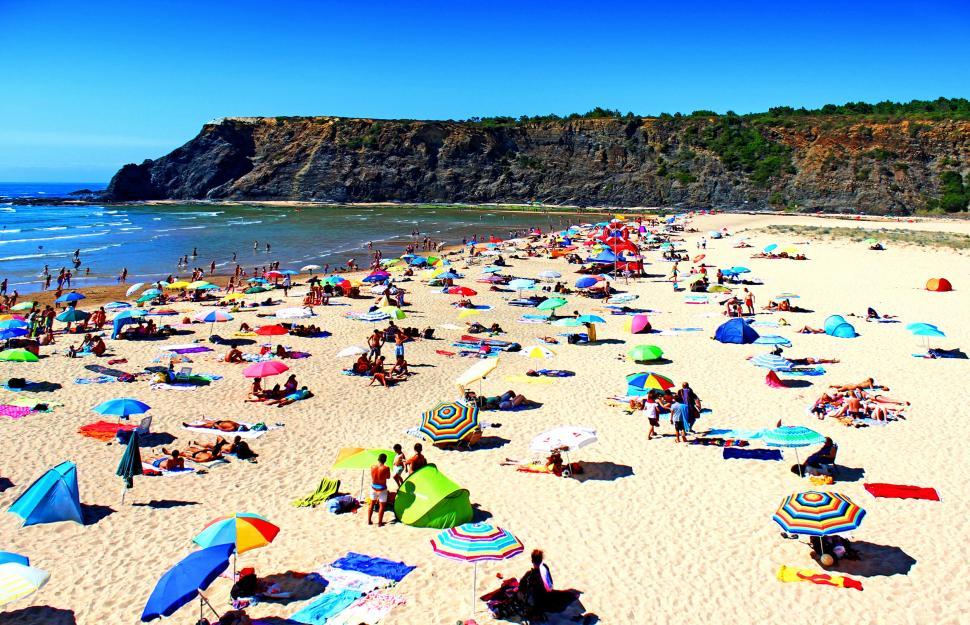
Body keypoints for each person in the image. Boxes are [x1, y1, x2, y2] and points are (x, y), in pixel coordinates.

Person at [368, 453, 391, 526]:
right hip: (382, 488)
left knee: (371, 504)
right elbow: (388, 477)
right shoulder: (386, 468)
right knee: (382, 506)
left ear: (378, 459)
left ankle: (369, 521)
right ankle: (380, 523)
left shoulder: (372, 467)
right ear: (385, 460)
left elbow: (372, 475)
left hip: (373, 488)